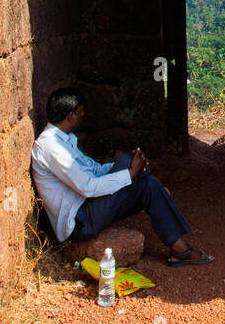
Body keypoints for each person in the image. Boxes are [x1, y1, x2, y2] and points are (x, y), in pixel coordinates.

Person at [31, 87, 213, 266]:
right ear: (71, 116)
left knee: (146, 181)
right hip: (79, 221)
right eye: (81, 112)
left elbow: (95, 170)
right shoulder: (50, 147)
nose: (83, 115)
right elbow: (87, 186)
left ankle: (179, 248)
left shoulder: (64, 139)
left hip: (88, 206)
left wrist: (130, 169)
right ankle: (157, 193)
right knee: (138, 175)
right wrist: (130, 173)